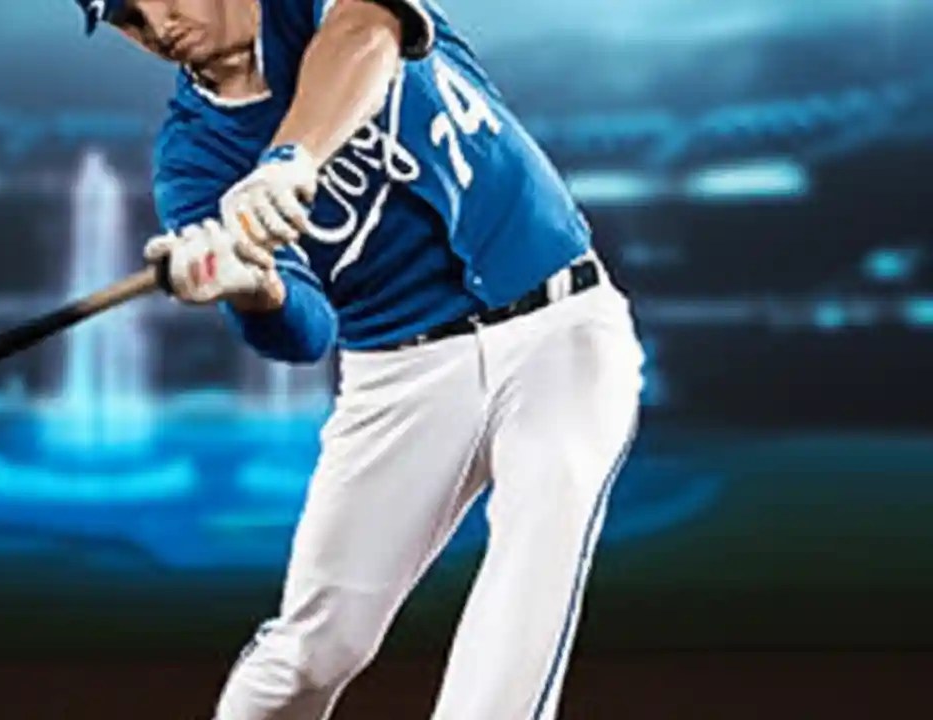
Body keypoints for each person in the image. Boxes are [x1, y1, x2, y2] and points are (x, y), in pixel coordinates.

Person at [73, 0, 645, 717]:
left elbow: (367, 32)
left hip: (560, 327)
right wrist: (259, 288)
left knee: (543, 520)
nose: (156, 23)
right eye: (126, 18)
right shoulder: (191, 160)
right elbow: (308, 333)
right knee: (316, 649)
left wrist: (289, 160)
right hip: (398, 378)